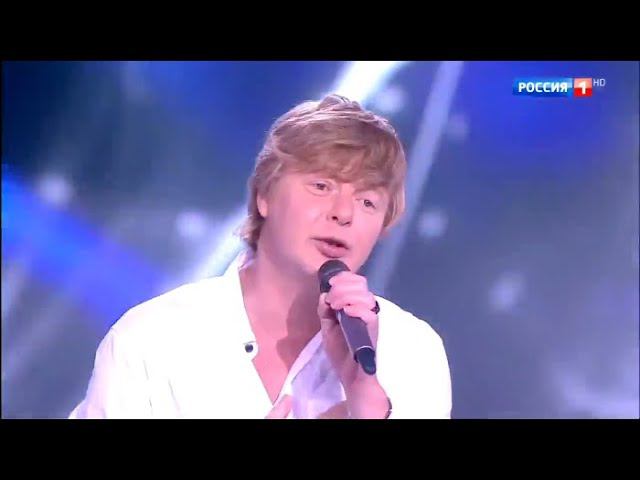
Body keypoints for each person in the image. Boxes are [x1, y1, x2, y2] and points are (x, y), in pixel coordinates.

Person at [69, 94, 452, 419]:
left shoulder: (412, 352)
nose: (344, 213)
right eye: (322, 186)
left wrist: (366, 401)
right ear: (264, 195)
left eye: (367, 202)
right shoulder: (152, 340)